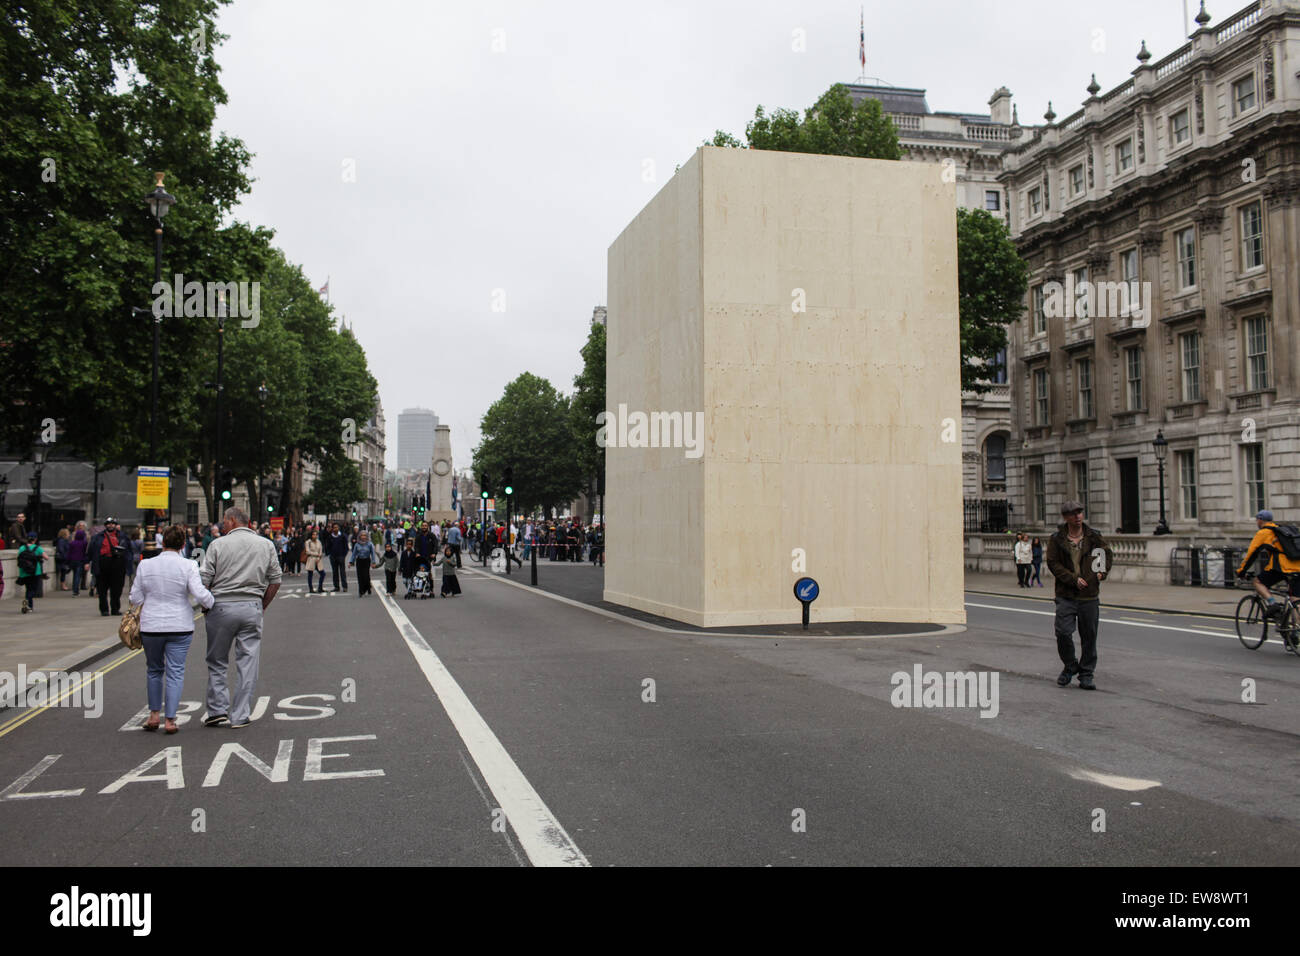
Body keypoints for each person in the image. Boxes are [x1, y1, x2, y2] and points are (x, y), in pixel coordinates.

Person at [200, 507, 281, 728]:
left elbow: (204, 578)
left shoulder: (217, 545)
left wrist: (205, 604)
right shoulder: (266, 545)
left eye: (224, 521)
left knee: (217, 660)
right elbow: (275, 579)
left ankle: (217, 709)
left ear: (233, 521)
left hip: (221, 606)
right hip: (251, 606)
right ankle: (240, 715)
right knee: (248, 663)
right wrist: (262, 605)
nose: (221, 525)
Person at [130, 525, 214, 734]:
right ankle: (170, 720)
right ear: (183, 544)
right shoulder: (188, 565)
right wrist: (212, 602)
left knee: (154, 670)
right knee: (175, 672)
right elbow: (199, 593)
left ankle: (153, 715)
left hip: (151, 626)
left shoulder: (145, 565)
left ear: (163, 543)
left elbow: (135, 598)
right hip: (180, 625)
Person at [1045, 500, 1113, 691]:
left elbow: (1105, 554)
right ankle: (1070, 665)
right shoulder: (1057, 538)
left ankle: (1086, 674)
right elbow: (1053, 563)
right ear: (1066, 517)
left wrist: (1101, 572)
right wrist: (1073, 579)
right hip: (1066, 594)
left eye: (1080, 512)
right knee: (1063, 633)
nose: (1078, 517)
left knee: (1089, 637)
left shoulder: (1093, 536)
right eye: (1073, 514)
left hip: (1089, 595)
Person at [1236, 510, 1300, 627]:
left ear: (1260, 520)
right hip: (1298, 567)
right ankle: (1296, 631)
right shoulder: (1281, 530)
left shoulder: (1264, 533)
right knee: (1295, 599)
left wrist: (1241, 572)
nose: (1257, 522)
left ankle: (1272, 604)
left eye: (1257, 520)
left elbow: (1252, 554)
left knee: (1258, 582)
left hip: (1282, 567)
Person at [90, 517, 130, 616]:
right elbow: (91, 551)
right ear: (105, 525)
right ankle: (104, 609)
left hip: (117, 563)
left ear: (116, 525)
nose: (110, 525)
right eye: (108, 523)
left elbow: (128, 551)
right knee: (102, 589)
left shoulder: (122, 536)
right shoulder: (98, 537)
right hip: (103, 562)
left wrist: (128, 565)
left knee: (117, 588)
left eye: (112, 523)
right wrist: (89, 563)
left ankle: (115, 608)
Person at [16, 533, 45, 613]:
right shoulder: (37, 548)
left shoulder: (22, 548)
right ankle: (28, 602)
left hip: (24, 572)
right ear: (35, 539)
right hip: (35, 572)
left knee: (28, 588)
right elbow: (46, 557)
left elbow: (19, 558)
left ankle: (29, 605)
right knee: (33, 589)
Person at [350, 530, 375, 597]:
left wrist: (373, 562)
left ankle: (368, 587)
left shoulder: (369, 544)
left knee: (366, 576)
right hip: (359, 561)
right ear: (359, 536)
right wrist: (351, 562)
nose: (363, 537)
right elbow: (354, 554)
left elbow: (372, 553)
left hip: (366, 560)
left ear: (367, 536)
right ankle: (361, 591)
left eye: (364, 535)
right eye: (362, 535)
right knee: (360, 576)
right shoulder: (357, 544)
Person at [67, 523, 89, 596]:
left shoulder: (72, 543)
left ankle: (74, 588)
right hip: (80, 560)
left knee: (75, 575)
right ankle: (75, 590)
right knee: (77, 576)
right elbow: (85, 553)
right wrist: (86, 561)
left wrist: (68, 561)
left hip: (73, 560)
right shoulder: (84, 543)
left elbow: (69, 552)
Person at [327, 522, 349, 592]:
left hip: (341, 556)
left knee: (342, 572)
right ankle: (336, 586)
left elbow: (346, 546)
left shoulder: (343, 536)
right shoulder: (330, 537)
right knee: (335, 572)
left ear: (338, 528)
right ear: (332, 529)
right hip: (333, 557)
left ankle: (344, 586)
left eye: (336, 527)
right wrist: (330, 554)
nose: (335, 529)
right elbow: (328, 546)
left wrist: (344, 555)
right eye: (334, 527)